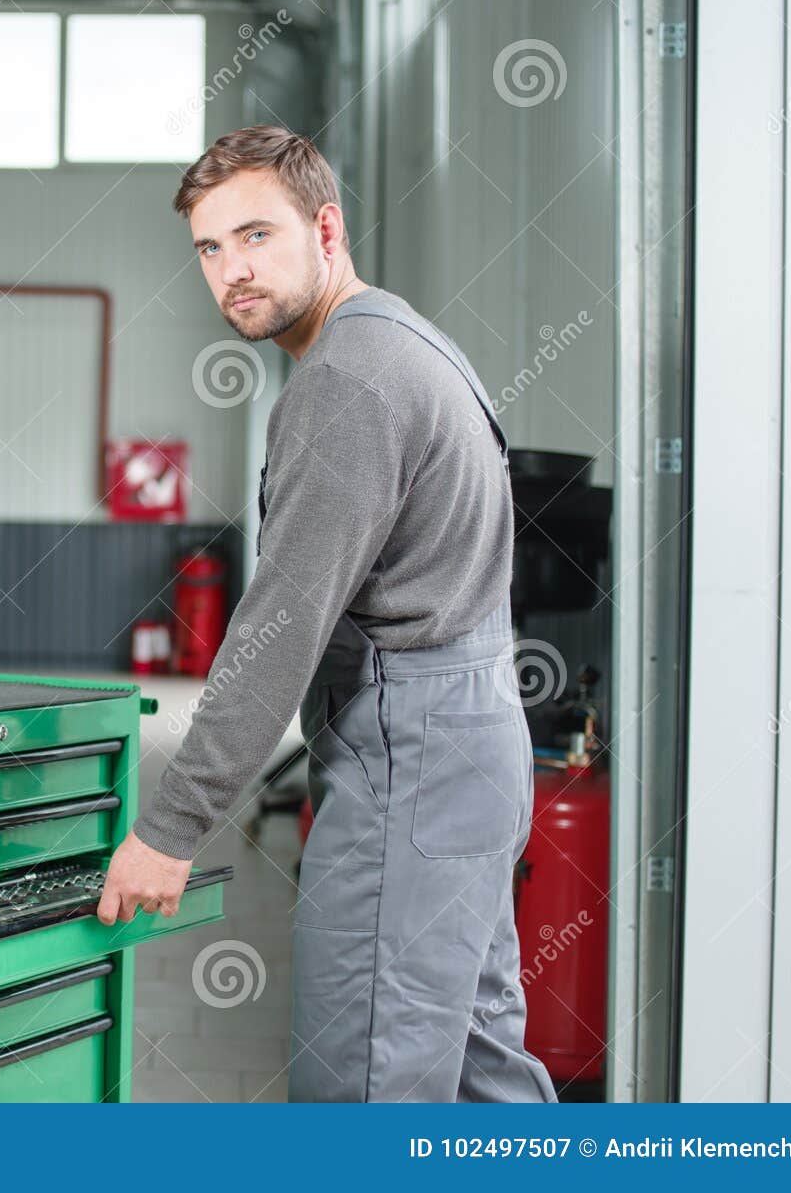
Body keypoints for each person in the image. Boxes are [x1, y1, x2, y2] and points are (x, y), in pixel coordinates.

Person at [96, 126, 556, 1104]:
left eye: (256, 235)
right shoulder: (406, 338)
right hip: (475, 745)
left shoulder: (345, 383)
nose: (231, 270)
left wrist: (172, 826)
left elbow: (280, 630)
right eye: (210, 248)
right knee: (479, 1068)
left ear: (327, 230)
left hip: (413, 763)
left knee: (364, 1080)